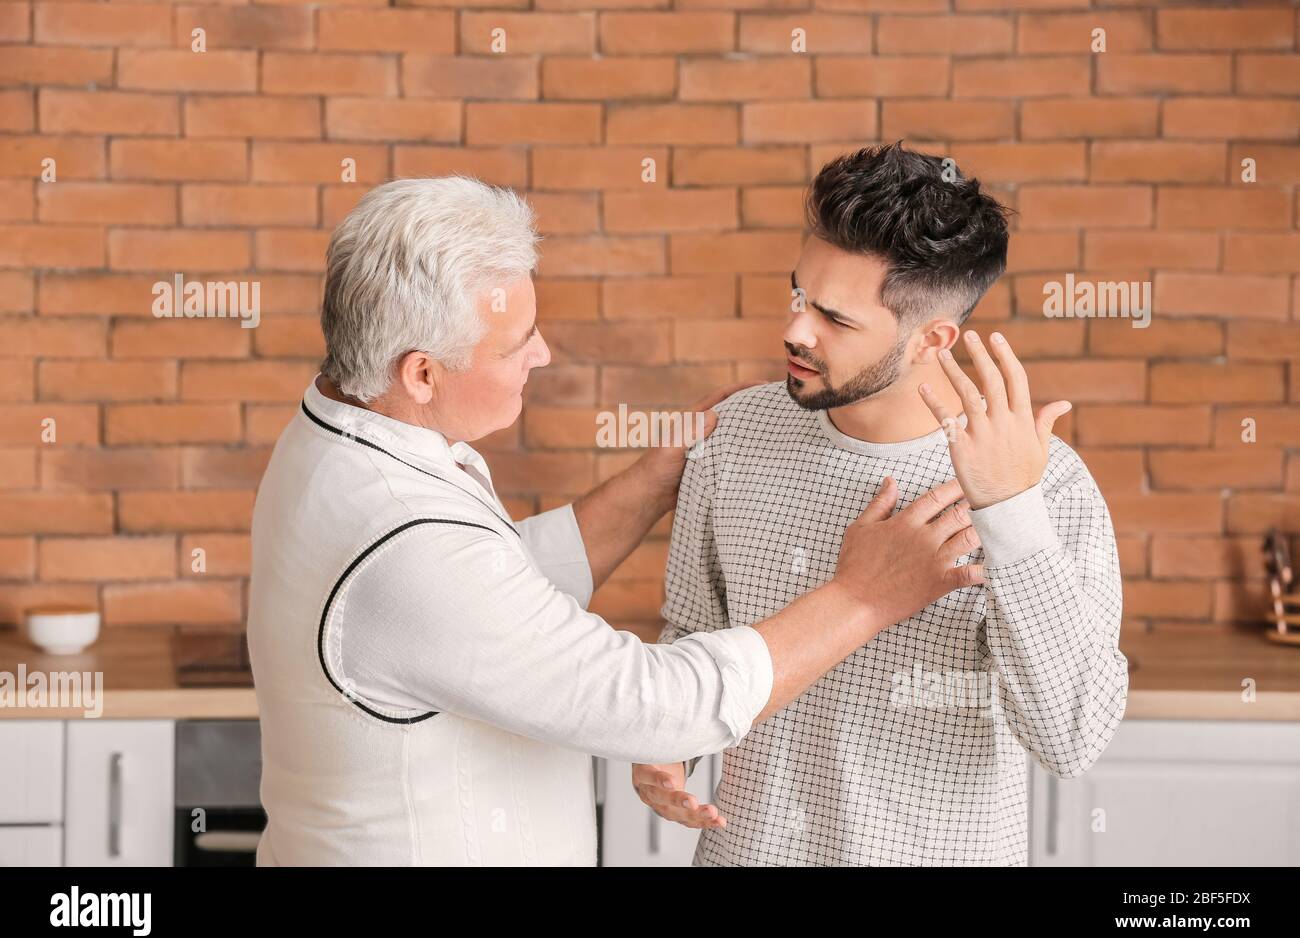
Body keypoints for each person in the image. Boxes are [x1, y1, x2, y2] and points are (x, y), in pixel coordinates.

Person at [245, 175, 984, 865]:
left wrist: (653, 481)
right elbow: (659, 705)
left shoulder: (335, 428)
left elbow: (494, 586)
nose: (542, 353)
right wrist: (864, 597)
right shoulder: (408, 539)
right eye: (514, 343)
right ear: (422, 373)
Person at [632, 144, 1128, 866]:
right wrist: (666, 749)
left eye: (835, 317)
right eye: (799, 295)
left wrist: (1009, 511)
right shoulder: (736, 433)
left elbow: (1073, 740)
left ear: (934, 338)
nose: (796, 330)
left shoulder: (1044, 486)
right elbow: (695, 632)